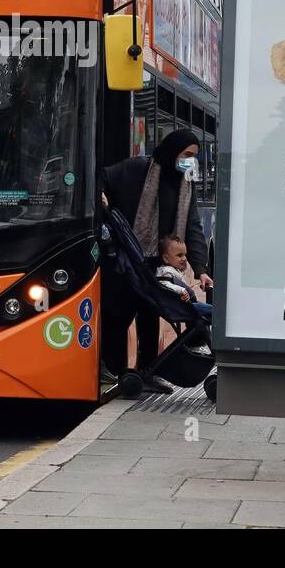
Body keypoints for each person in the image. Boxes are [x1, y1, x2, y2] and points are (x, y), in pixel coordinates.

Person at [100, 128, 211, 392]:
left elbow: (193, 227)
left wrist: (202, 269)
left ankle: (148, 371)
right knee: (119, 315)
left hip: (159, 264)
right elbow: (102, 176)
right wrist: (101, 194)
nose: (190, 161)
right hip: (130, 259)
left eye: (193, 156)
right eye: (186, 154)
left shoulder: (185, 184)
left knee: (150, 316)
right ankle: (113, 371)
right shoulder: (136, 169)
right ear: (173, 150)